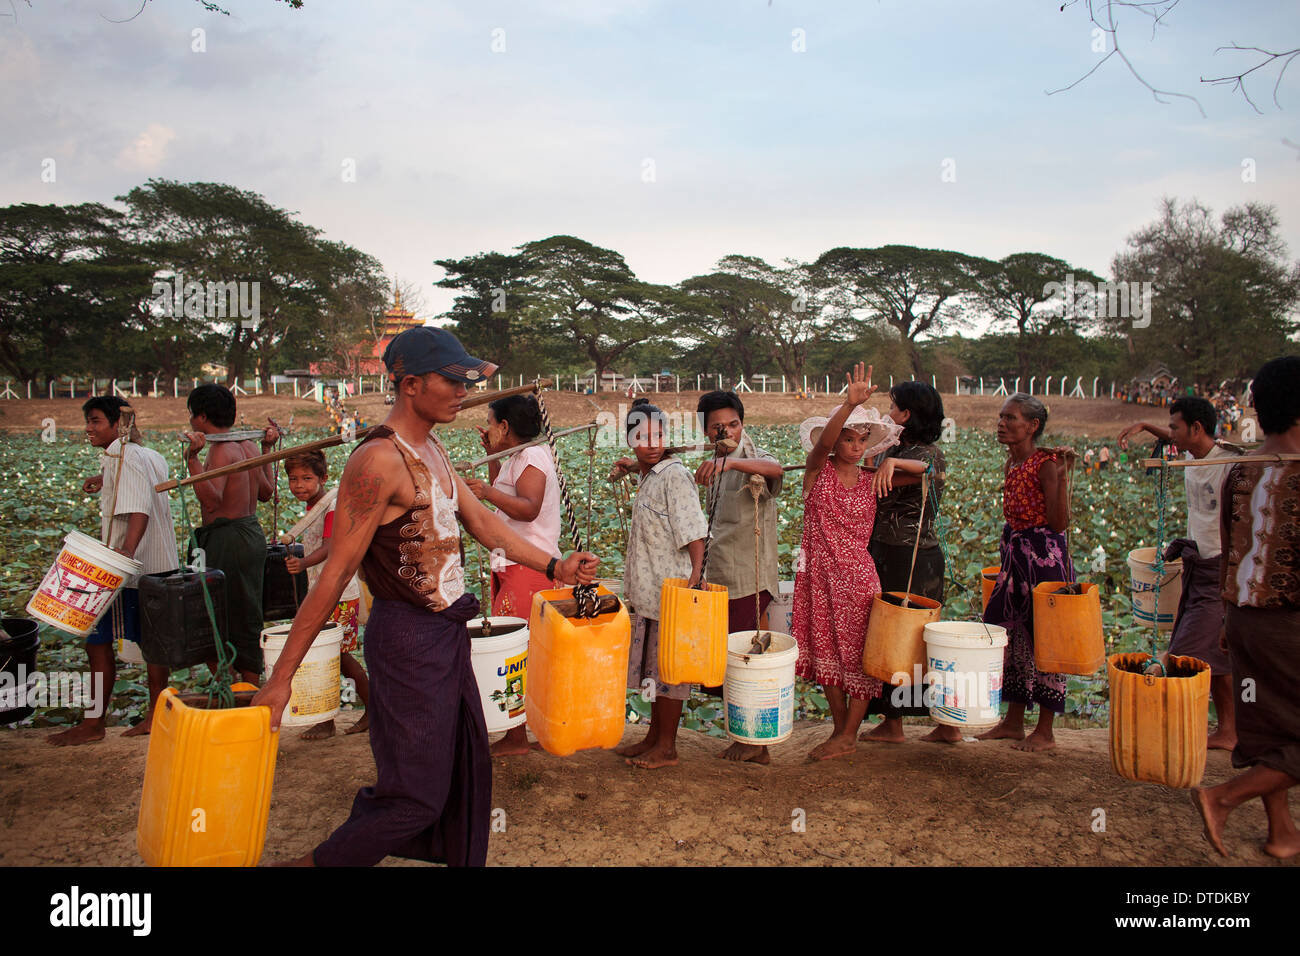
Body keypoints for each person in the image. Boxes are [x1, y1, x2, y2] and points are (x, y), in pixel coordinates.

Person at [254, 327, 598, 867]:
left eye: (467, 380)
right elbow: (333, 574)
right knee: (414, 794)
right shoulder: (377, 463)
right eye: (453, 380)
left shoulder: (432, 449)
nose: (464, 391)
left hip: (445, 634)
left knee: (463, 767)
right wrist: (280, 680)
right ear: (410, 384)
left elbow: (486, 525)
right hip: (408, 640)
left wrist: (557, 566)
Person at [1192, 356, 1300, 860]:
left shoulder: (1243, 467)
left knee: (1267, 727)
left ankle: (1282, 833)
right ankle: (1223, 797)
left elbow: (1232, 546)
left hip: (1243, 617)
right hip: (1287, 624)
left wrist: (1226, 622)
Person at [50, 397, 179, 746]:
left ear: (117, 424)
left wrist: (123, 556)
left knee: (97, 641)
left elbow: (139, 510)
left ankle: (94, 723)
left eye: (95, 422)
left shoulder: (125, 456)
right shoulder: (147, 455)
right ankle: (155, 714)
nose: (88, 429)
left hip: (129, 570)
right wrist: (102, 477)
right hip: (159, 565)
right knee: (152, 644)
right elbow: (141, 489)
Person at [792, 362, 902, 761]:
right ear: (835, 441)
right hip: (819, 576)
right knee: (827, 656)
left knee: (858, 658)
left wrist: (895, 462)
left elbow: (930, 473)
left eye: (862, 439)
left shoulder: (874, 477)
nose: (855, 445)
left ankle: (848, 733)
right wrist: (847, 404)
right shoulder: (817, 472)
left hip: (857, 578)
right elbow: (820, 448)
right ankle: (841, 731)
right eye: (848, 438)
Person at [1118, 397, 1239, 750]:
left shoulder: (1229, 464)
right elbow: (1172, 439)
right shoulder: (1190, 456)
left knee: (1185, 648)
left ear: (1197, 429)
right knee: (1217, 655)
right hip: (1196, 564)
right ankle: (1229, 730)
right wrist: (1143, 426)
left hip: (1219, 568)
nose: (1170, 434)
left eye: (1175, 427)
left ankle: (1177, 725)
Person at [860, 381, 961, 745]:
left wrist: (892, 460)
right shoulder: (892, 448)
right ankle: (895, 720)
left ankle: (945, 722)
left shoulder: (930, 453)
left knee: (918, 636)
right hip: (887, 551)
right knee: (893, 635)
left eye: (893, 407)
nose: (888, 413)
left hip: (915, 556)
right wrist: (880, 451)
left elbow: (925, 468)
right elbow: (869, 479)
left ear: (907, 414)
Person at [612, 398, 709, 770]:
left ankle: (667, 746)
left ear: (667, 437)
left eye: (658, 435)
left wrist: (695, 581)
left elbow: (695, 535)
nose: (651, 443)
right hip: (649, 592)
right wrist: (631, 467)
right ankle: (653, 737)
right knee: (652, 669)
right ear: (630, 440)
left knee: (668, 671)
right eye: (642, 437)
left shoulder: (675, 475)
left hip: (673, 592)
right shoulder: (649, 473)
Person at [463, 393, 561, 757]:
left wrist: (486, 490)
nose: (488, 428)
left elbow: (528, 509)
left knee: (515, 650)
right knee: (515, 648)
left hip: (530, 566)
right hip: (510, 563)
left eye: (491, 423)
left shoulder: (533, 456)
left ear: (505, 426)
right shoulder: (516, 458)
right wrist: (491, 457)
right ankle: (517, 730)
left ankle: (518, 737)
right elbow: (504, 499)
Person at [977, 394, 1076, 753]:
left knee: (1045, 637)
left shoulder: (1047, 464)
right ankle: (1014, 723)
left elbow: (1059, 523)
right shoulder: (1011, 464)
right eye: (1001, 417)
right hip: (1016, 557)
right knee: (1013, 635)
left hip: (1045, 561)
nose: (1002, 424)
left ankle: (1046, 730)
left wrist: (1063, 478)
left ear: (1032, 426)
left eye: (1011, 418)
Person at [691, 390, 785, 765]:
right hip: (720, 574)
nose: (727, 432)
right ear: (707, 432)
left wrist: (730, 466)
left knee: (751, 654)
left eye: (733, 424)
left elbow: (775, 468)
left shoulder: (750, 459)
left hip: (749, 574)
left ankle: (757, 743)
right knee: (729, 657)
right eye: (718, 428)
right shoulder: (712, 461)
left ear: (742, 425)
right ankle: (745, 734)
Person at [181, 385, 278, 683]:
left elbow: (210, 499)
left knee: (218, 612)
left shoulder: (221, 450)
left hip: (228, 538)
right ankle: (243, 679)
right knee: (246, 609)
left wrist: (193, 460)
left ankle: (237, 681)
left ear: (202, 417)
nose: (190, 422)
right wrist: (266, 449)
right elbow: (266, 492)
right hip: (251, 534)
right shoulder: (248, 445)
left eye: (191, 416)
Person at [281, 450, 370, 740]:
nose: (299, 485)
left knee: (338, 657)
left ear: (323, 478)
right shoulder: (314, 507)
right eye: (293, 479)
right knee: (328, 655)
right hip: (324, 591)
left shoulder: (330, 505)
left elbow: (331, 546)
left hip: (339, 594)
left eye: (307, 478)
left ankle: (371, 709)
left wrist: (303, 562)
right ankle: (329, 718)